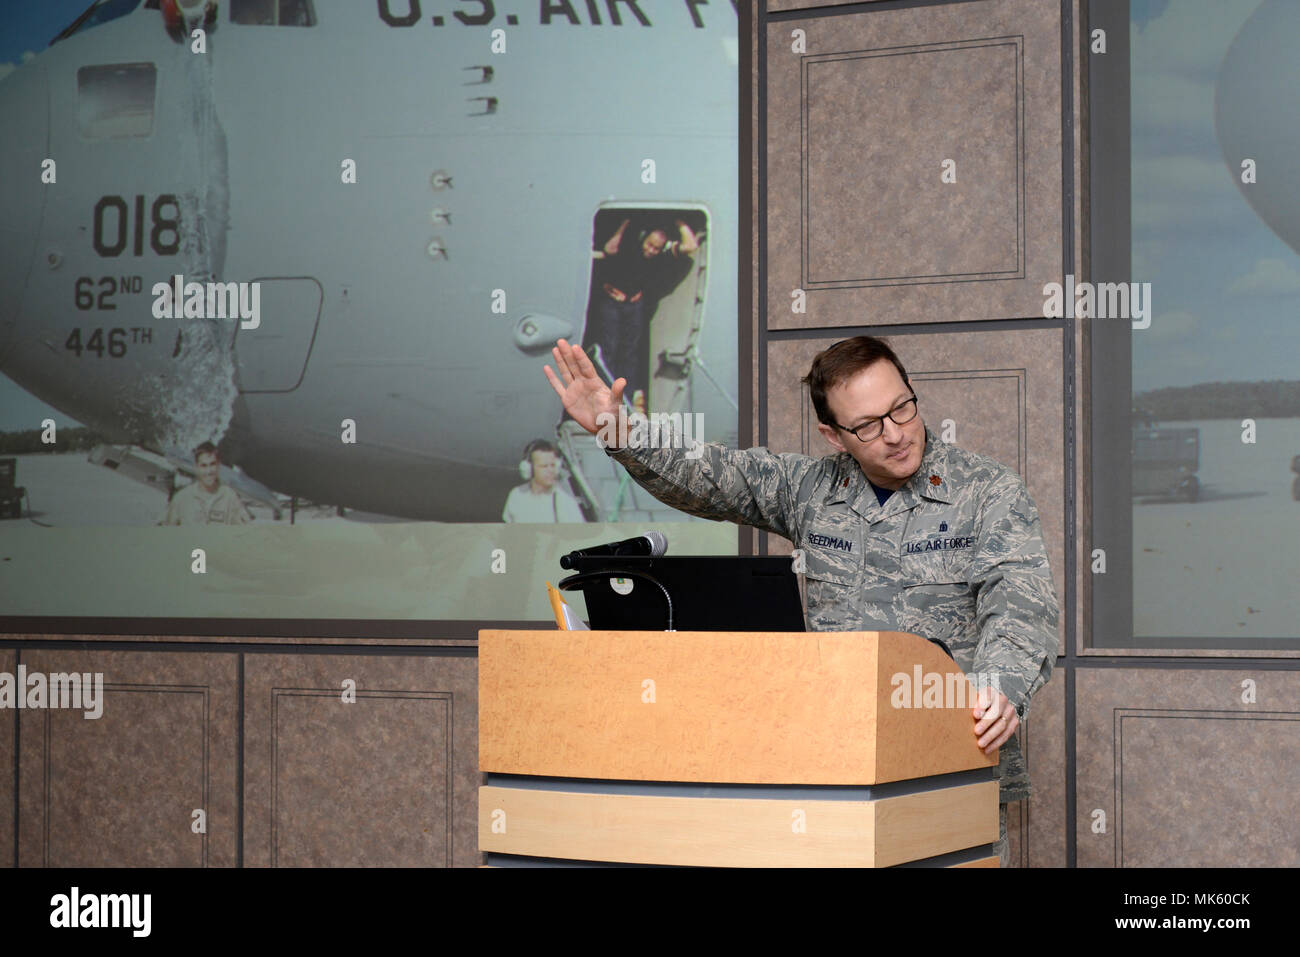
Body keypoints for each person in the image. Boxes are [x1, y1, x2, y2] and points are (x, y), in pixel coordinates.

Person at [544, 336, 1058, 866]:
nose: (896, 433)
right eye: (867, 425)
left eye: (902, 408)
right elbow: (712, 475)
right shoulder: (810, 490)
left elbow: (1021, 603)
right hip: (830, 763)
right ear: (833, 435)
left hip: (947, 765)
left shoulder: (988, 491)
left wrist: (1001, 686)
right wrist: (618, 428)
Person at [583, 217, 699, 407]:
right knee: (607, 351)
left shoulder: (662, 253)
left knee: (629, 355)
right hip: (611, 303)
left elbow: (690, 246)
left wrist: (680, 223)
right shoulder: (630, 244)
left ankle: (625, 401)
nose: (651, 251)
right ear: (643, 238)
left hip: (634, 306)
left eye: (656, 248)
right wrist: (625, 222)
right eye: (649, 245)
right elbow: (609, 249)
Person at [162, 442, 252, 525]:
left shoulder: (230, 498)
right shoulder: (182, 498)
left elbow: (245, 531)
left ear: (218, 465)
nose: (208, 471)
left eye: (212, 464)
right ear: (196, 467)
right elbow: (166, 532)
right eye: (203, 466)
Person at [502, 439, 587, 523]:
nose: (550, 470)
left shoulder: (567, 503)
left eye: (553, 465)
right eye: (544, 466)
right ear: (529, 469)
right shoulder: (516, 495)